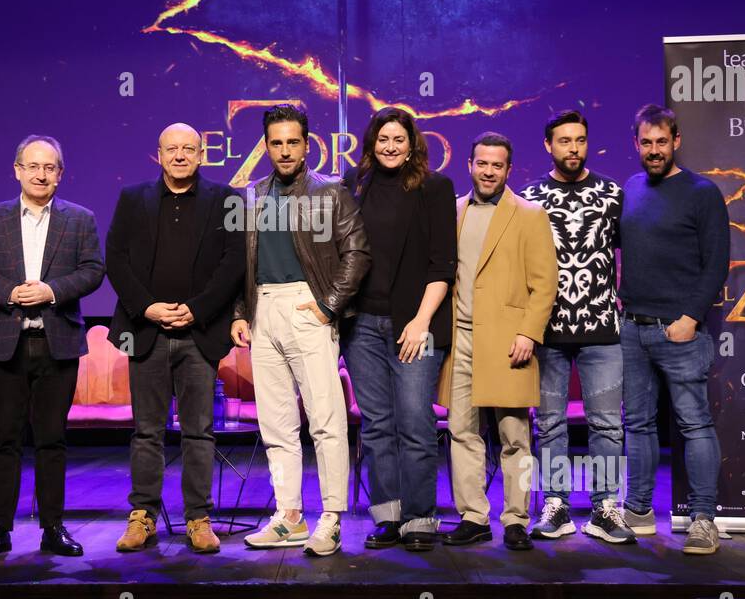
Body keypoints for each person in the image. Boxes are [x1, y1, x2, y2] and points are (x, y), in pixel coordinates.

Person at [230, 104, 369, 556]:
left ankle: (330, 518)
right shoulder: (252, 195)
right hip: (263, 310)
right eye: (276, 142)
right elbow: (243, 264)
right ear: (266, 146)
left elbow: (358, 253)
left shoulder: (331, 191)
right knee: (277, 423)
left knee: (326, 421)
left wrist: (329, 307)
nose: (285, 150)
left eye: (293, 142)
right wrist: (238, 312)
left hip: (308, 307)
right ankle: (289, 516)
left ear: (307, 145)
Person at [0, 134, 105, 559]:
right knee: (4, 440)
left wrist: (50, 291)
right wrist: (10, 293)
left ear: (60, 174)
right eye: (33, 166)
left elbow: (93, 270)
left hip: (56, 341)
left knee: (51, 440)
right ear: (17, 170)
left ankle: (53, 528)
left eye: (50, 167)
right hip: (5, 341)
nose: (41, 174)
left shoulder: (80, 219)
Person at [104, 123, 245, 554]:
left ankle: (198, 518)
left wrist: (197, 309)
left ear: (202, 154)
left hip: (200, 332)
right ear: (159, 155)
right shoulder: (133, 199)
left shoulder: (228, 200)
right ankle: (142, 515)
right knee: (147, 430)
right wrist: (146, 306)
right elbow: (116, 258)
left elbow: (234, 261)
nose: (180, 155)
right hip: (146, 329)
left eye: (189, 149)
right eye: (172, 149)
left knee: (199, 431)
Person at [340, 107, 456, 552]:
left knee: (415, 421)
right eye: (383, 139)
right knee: (377, 424)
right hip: (362, 325)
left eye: (399, 139)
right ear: (372, 143)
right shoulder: (354, 185)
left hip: (416, 324)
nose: (390, 146)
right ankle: (387, 516)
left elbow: (443, 263)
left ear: (412, 145)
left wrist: (421, 321)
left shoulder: (435, 188)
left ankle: (420, 517)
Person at [618, 104, 729, 555]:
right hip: (632, 328)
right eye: (646, 143)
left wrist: (690, 318)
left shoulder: (703, 192)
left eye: (662, 142)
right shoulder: (631, 188)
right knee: (638, 424)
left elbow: (716, 263)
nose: (654, 150)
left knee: (695, 424)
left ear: (676, 141)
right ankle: (639, 510)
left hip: (680, 330)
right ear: (637, 144)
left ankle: (704, 519)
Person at [438, 132, 557, 551]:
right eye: (482, 163)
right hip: (462, 339)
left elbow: (545, 284)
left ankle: (516, 519)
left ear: (508, 169)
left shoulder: (528, 214)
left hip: (509, 342)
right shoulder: (451, 212)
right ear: (469, 165)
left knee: (514, 436)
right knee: (462, 431)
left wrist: (528, 332)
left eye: (497, 165)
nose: (488, 171)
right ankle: (473, 517)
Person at [520, 111, 634, 543]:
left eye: (580, 140)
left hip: (602, 327)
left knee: (607, 423)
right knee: (549, 424)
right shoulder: (530, 199)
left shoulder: (611, 194)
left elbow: (633, 254)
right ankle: (557, 506)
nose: (573, 148)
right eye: (564, 141)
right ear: (548, 145)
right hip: (547, 331)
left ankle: (606, 508)